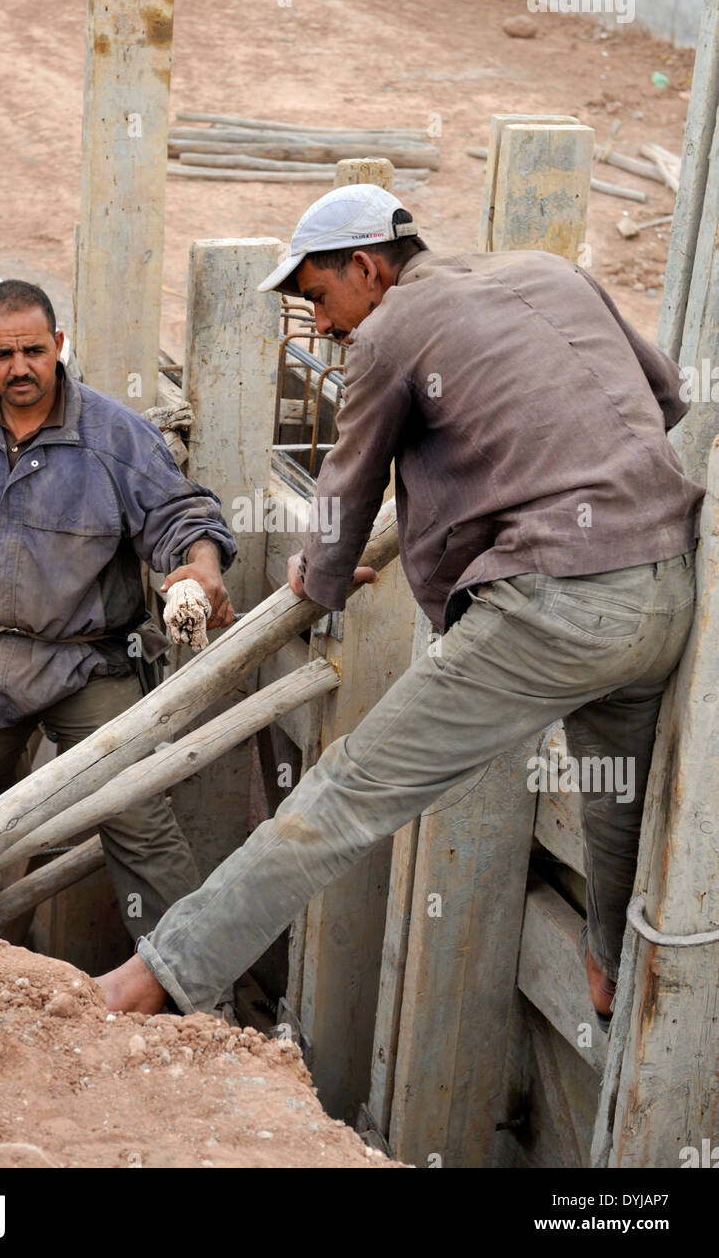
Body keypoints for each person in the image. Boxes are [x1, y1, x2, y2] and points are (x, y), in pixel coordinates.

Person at [94, 184, 703, 1030]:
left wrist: (324, 578)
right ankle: (608, 964)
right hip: (665, 589)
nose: (324, 326)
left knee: (345, 791)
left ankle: (159, 972)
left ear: (366, 268)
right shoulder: (549, 271)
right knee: (617, 798)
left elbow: (345, 491)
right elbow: (666, 396)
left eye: (317, 297)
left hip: (551, 607)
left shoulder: (387, 332)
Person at [0, 279, 237, 936]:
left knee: (136, 819)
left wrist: (199, 564)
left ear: (57, 345)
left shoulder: (115, 436)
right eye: (2, 355)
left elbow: (179, 514)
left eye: (33, 350)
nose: (19, 367)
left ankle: (194, 993)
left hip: (90, 667)